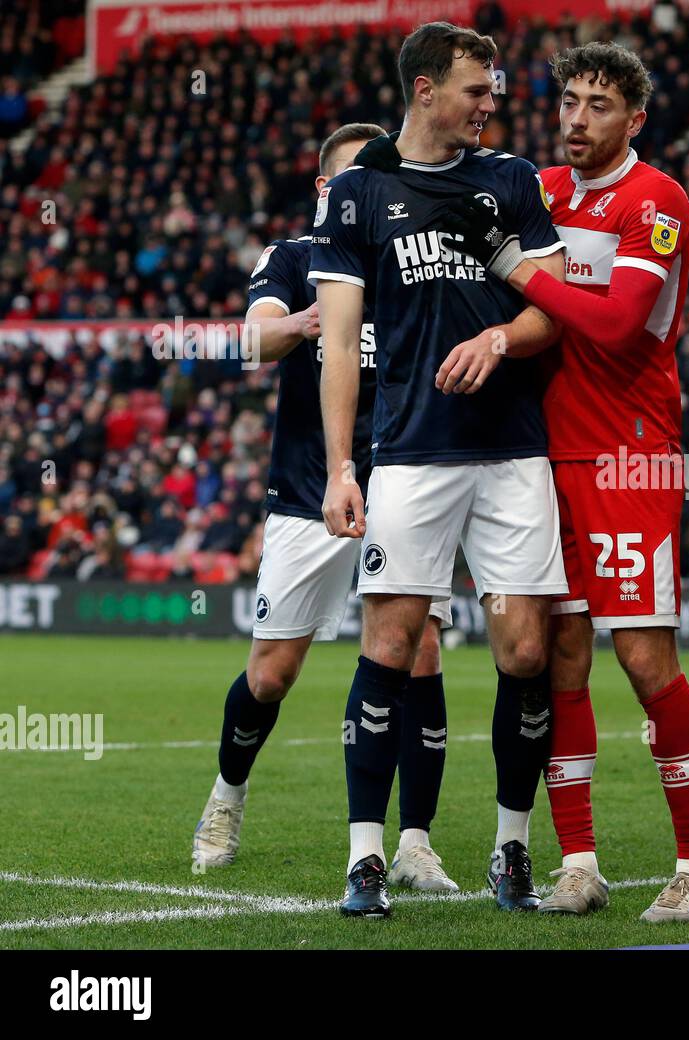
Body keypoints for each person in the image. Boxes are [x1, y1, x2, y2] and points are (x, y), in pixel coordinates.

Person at [437, 42, 689, 923]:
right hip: (538, 460)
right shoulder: (542, 193)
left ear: (634, 119)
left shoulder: (657, 199)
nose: (576, 119)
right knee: (557, 665)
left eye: (599, 105)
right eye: (568, 101)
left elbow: (613, 323)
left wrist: (518, 269)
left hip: (628, 458)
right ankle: (580, 863)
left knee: (643, 659)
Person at [311, 23, 566, 917]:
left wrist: (501, 334)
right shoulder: (356, 191)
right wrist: (344, 468)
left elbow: (556, 306)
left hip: (511, 449)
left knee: (525, 650)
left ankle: (510, 850)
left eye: (493, 88)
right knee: (389, 646)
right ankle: (367, 858)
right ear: (425, 90)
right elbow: (339, 341)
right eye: (474, 89)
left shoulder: (513, 179)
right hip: (411, 452)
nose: (490, 102)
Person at [191, 123, 456, 897]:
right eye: (355, 180)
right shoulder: (296, 258)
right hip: (309, 491)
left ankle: (414, 843)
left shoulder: (414, 260)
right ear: (324, 190)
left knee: (422, 653)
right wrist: (313, 321)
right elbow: (249, 341)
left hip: (404, 485)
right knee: (271, 675)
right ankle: (226, 799)